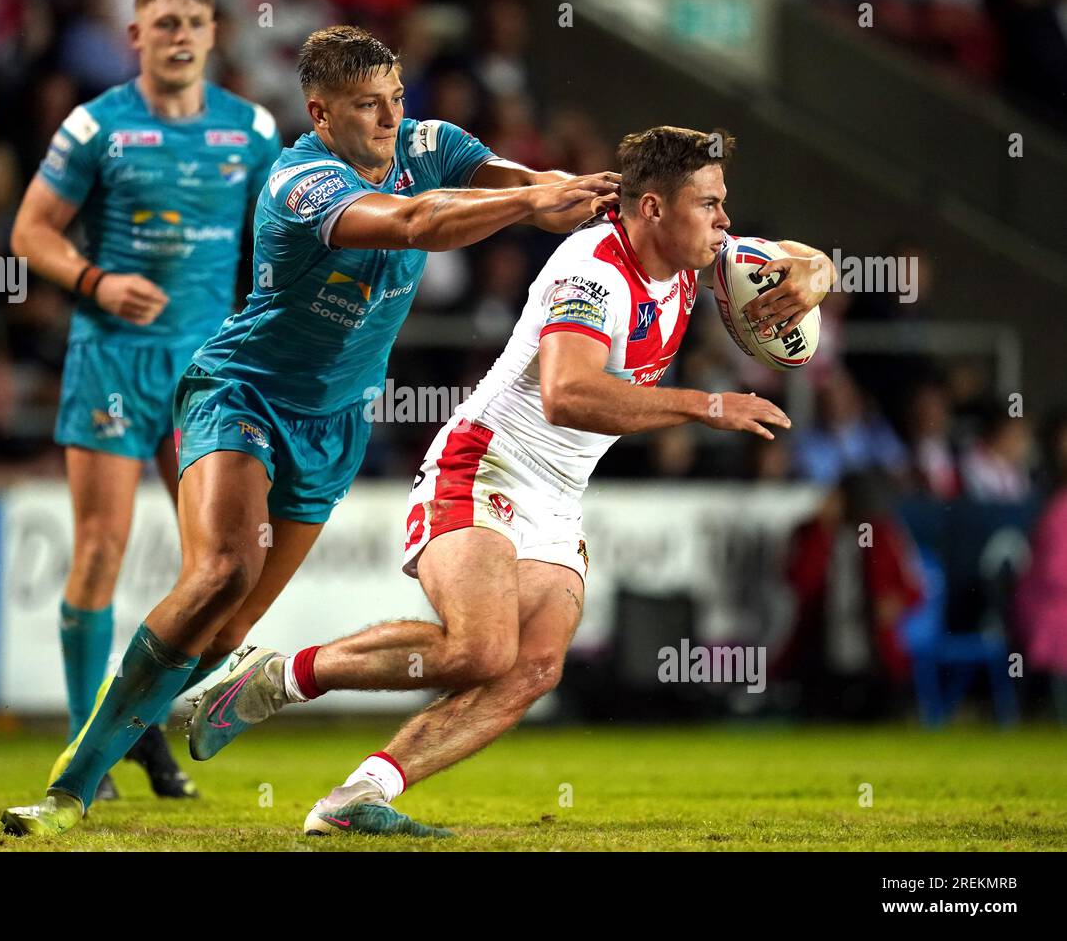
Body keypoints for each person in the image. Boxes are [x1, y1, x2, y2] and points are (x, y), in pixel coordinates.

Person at [1, 24, 620, 836]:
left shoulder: (429, 141)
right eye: (368, 106)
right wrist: (529, 201)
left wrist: (586, 194)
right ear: (321, 113)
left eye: (396, 99)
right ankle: (69, 789)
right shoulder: (300, 182)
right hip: (242, 393)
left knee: (229, 627)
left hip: (334, 424)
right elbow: (415, 224)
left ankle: (190, 704)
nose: (390, 118)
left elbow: (522, 182)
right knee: (223, 569)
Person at [187, 126, 835, 836]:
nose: (725, 222)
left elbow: (796, 262)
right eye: (709, 205)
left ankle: (359, 794)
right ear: (652, 208)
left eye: (723, 204)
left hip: (557, 499)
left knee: (533, 667)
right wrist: (706, 405)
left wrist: (818, 275)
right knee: (480, 649)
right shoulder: (592, 267)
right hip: (485, 464)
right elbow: (567, 394)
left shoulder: (691, 256)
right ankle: (277, 676)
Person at [9, 0, 281, 801]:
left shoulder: (253, 129)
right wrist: (94, 283)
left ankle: (141, 729)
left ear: (212, 34)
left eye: (194, 21)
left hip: (205, 374)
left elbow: (282, 236)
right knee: (98, 549)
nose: (180, 34)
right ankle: (82, 742)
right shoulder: (97, 125)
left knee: (214, 568)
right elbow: (29, 232)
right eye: (163, 22)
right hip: (112, 361)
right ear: (136, 36)